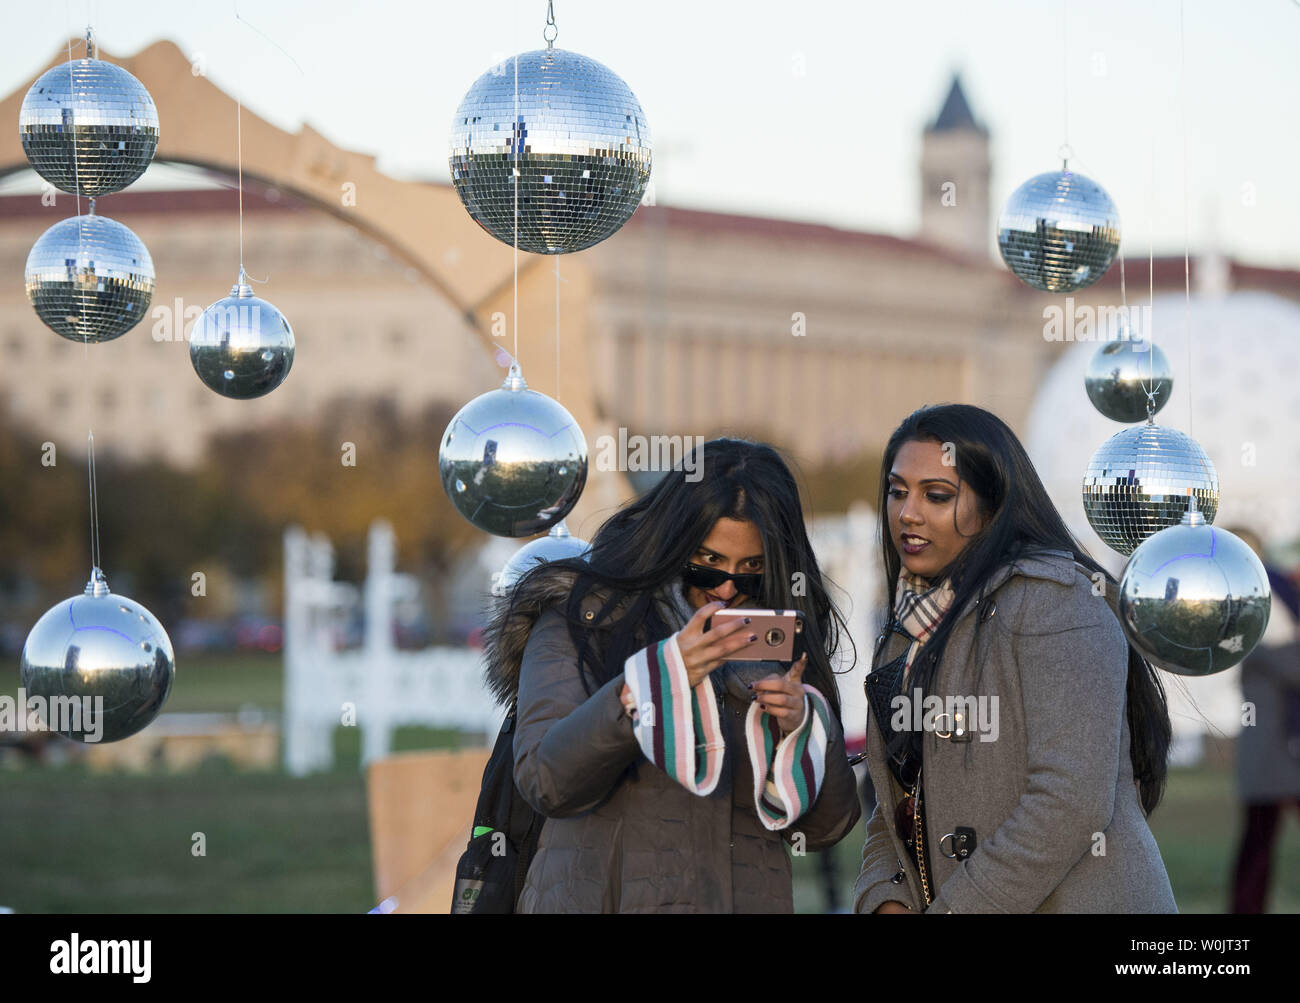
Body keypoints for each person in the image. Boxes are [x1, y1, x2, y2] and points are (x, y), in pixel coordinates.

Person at [482, 437, 861, 912]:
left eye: (751, 571)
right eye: (707, 565)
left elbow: (823, 829)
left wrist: (803, 731)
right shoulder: (583, 617)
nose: (726, 589)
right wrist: (651, 682)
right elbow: (545, 780)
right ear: (671, 542)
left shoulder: (779, 638)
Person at [853, 403, 1177, 914]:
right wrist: (886, 897)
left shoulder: (1058, 598)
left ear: (992, 506)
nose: (907, 513)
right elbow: (895, 800)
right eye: (897, 491)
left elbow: (1068, 803)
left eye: (936, 495)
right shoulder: (907, 625)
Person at [1226, 527, 1300, 913]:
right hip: (1272, 742)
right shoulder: (1252, 598)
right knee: (1257, 843)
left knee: (1257, 842)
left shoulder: (1269, 593)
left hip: (1279, 741)